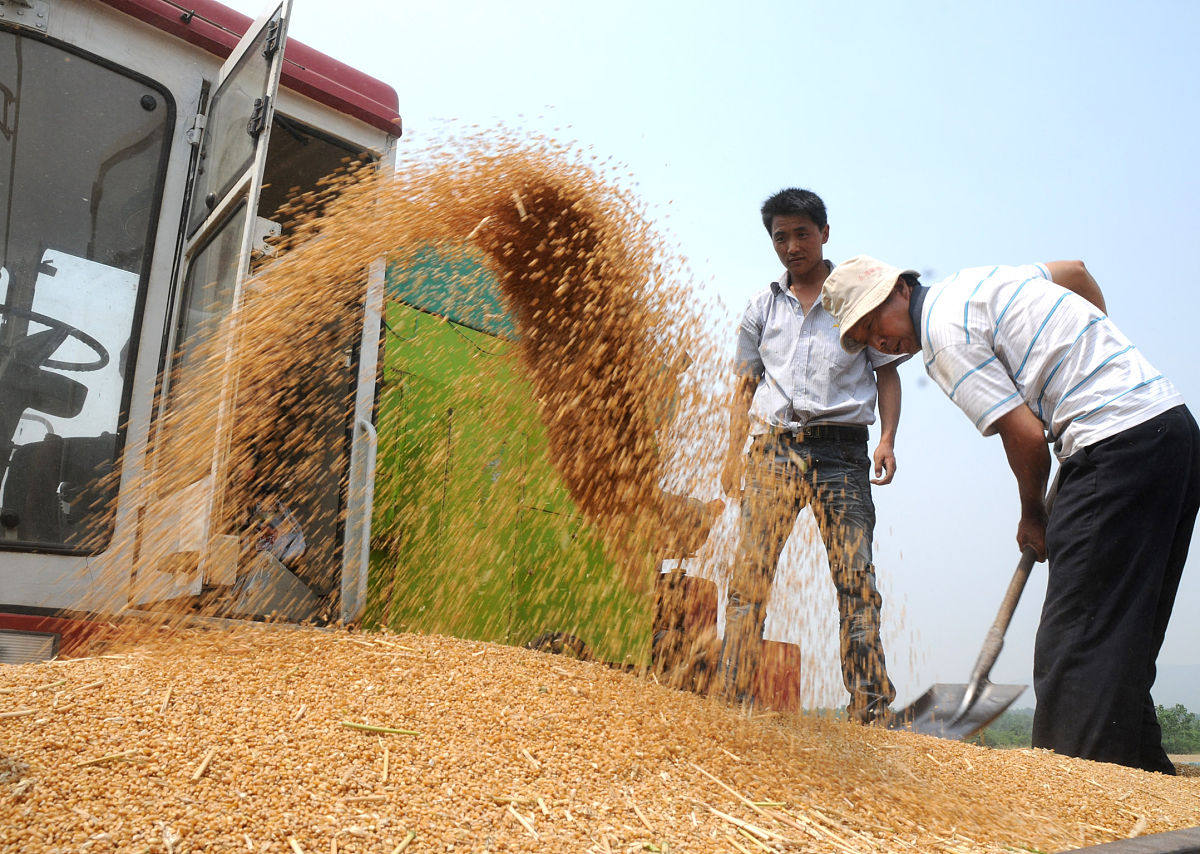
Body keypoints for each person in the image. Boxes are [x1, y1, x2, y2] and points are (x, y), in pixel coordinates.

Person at [823, 254, 1199, 773]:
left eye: (872, 323)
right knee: (1120, 631)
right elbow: (1076, 272)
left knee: (1075, 643)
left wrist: (1032, 516)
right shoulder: (980, 283)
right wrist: (1092, 349)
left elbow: (1024, 436)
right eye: (863, 338)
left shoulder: (943, 340)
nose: (877, 342)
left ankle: (1081, 803)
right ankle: (1145, 784)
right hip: (1170, 431)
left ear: (901, 290)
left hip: (1115, 446)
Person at [718, 189, 903, 722]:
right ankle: (732, 701)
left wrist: (888, 437)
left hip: (842, 453)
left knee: (854, 579)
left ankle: (869, 709)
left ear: (824, 233)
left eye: (801, 233)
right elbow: (744, 387)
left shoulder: (856, 301)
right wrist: (731, 456)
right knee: (748, 579)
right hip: (771, 450)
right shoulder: (761, 306)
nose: (792, 245)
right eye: (780, 236)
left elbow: (886, 374)